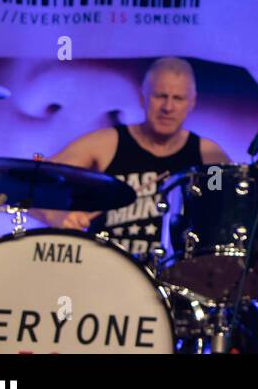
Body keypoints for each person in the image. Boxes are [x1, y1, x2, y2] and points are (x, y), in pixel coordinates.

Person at [35, 56, 230, 257]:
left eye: (178, 98)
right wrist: (57, 216)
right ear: (142, 97)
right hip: (107, 269)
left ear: (192, 103)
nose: (168, 107)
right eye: (160, 96)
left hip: (176, 279)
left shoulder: (210, 159)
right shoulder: (104, 144)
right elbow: (32, 182)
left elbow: (226, 208)